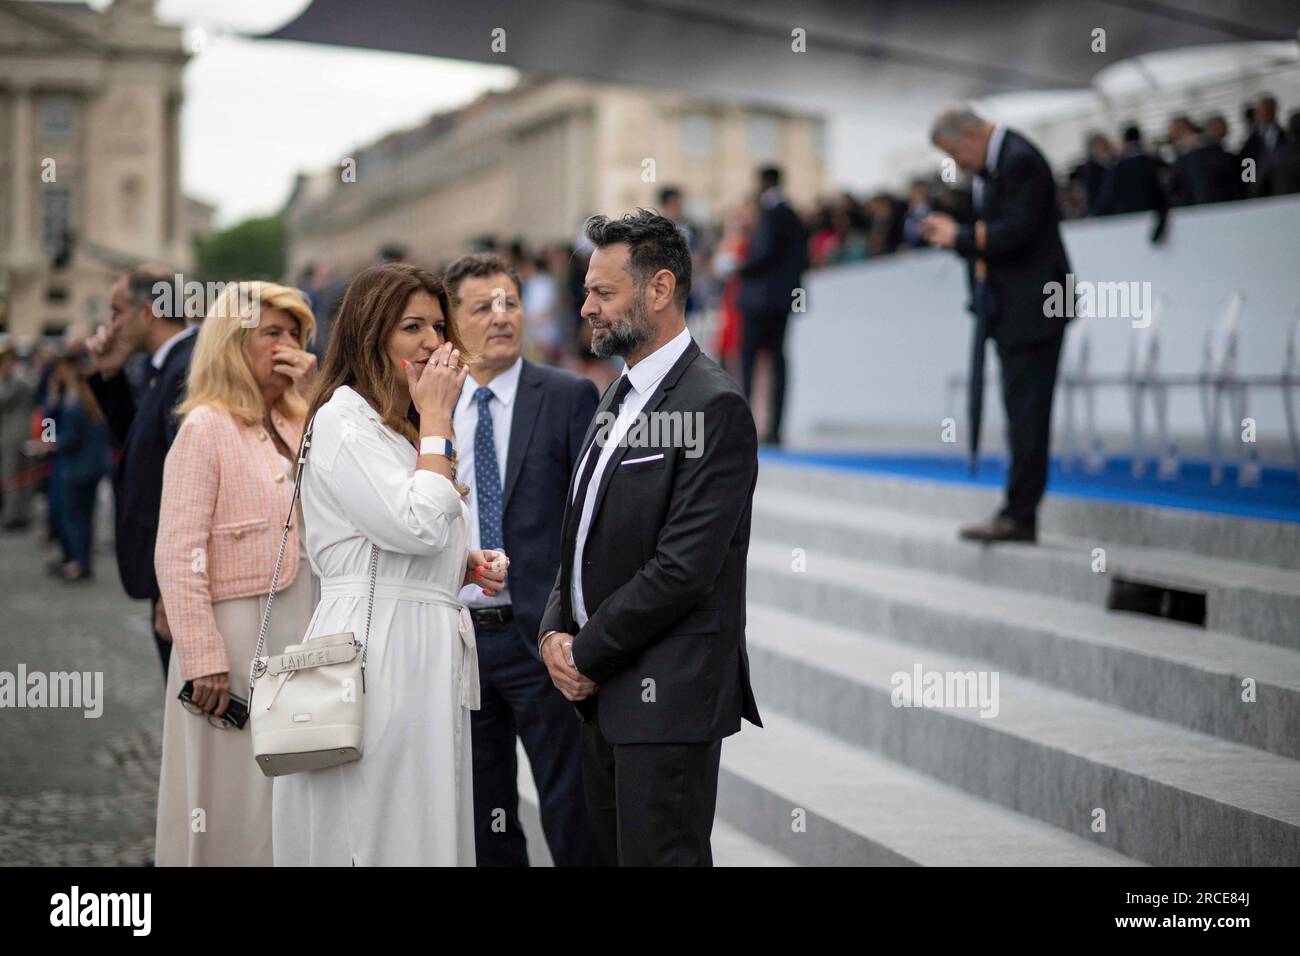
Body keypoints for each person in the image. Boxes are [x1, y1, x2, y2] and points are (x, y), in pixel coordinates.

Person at [538, 209, 763, 866]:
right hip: (601, 695)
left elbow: (682, 570)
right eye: (586, 292)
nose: (586, 308)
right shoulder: (615, 394)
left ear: (659, 290)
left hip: (665, 701)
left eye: (603, 293)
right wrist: (556, 627)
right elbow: (579, 531)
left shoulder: (712, 405)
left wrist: (584, 653)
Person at [272, 262, 506, 867]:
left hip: (422, 640)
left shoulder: (397, 428)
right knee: (379, 822)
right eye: (412, 327)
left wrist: (459, 565)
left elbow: (406, 537)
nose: (432, 342)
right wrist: (436, 421)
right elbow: (415, 523)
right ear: (373, 334)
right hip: (379, 647)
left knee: (423, 819)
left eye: (437, 325)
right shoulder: (343, 419)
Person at [153, 282, 320, 866]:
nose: (286, 345)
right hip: (234, 634)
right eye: (270, 333)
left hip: (301, 629)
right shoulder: (206, 427)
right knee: (230, 795)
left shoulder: (306, 420)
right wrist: (203, 658)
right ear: (232, 344)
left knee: (295, 788)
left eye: (295, 333)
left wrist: (317, 395)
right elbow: (177, 552)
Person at [443, 252, 598, 867]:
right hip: (458, 641)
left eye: (510, 302)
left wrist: (570, 627)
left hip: (542, 640)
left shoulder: (566, 396)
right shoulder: (425, 406)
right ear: (452, 322)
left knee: (573, 808)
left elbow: (588, 522)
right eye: (482, 307)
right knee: (484, 814)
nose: (502, 317)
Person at [923, 108, 1072, 543]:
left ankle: (1020, 515)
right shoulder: (1000, 162)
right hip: (1014, 311)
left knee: (1027, 415)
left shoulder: (1020, 159)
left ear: (971, 134)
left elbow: (1017, 233)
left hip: (1034, 309)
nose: (960, 163)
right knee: (1019, 412)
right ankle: (1017, 510)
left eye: (956, 153)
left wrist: (960, 237)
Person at [86, 267, 199, 680]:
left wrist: (176, 584)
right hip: (167, 569)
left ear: (147, 312)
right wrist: (110, 374)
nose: (111, 325)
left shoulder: (188, 365)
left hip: (179, 574)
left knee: (192, 694)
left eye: (117, 311)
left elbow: (188, 482)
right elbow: (140, 446)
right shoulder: (163, 365)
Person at [737, 165, 809, 446]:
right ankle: (775, 428)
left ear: (764, 182)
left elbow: (763, 255)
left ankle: (745, 427)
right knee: (778, 360)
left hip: (761, 301)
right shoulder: (792, 213)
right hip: (782, 300)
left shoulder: (771, 213)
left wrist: (736, 269)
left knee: (750, 361)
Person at [45, 357, 110, 581]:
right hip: (91, 467)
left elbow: (63, 436)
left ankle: (77, 561)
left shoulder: (73, 402)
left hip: (74, 466)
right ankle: (82, 560)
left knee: (72, 516)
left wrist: (50, 438)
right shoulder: (88, 398)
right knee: (85, 517)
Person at [0, 342, 36, 531]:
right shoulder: (23, 378)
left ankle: (15, 515)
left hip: (15, 437)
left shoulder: (17, 381)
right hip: (14, 436)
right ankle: (17, 513)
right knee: (17, 476)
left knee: (14, 476)